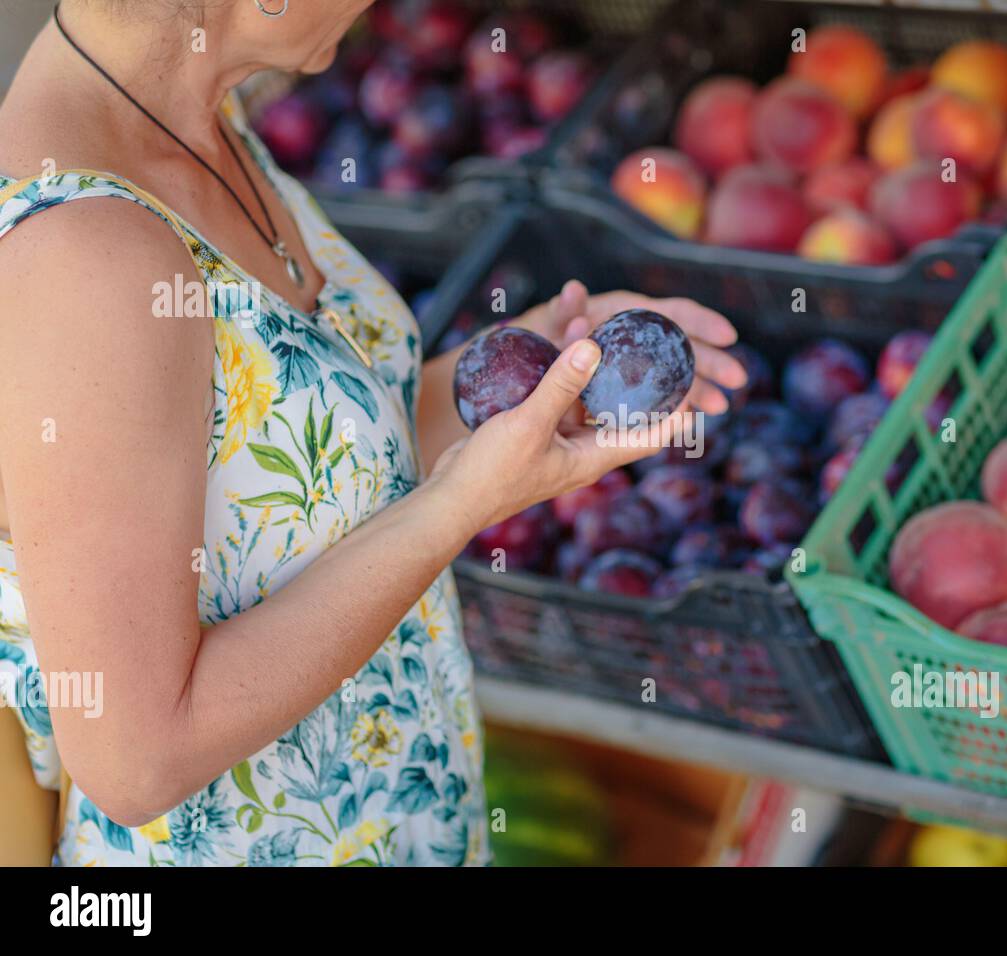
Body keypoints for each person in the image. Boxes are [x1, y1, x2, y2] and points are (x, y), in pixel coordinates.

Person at [0, 0, 744, 866]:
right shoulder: (83, 261)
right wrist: (462, 505)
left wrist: (539, 369)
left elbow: (320, 462)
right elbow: (139, 757)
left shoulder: (197, 112)